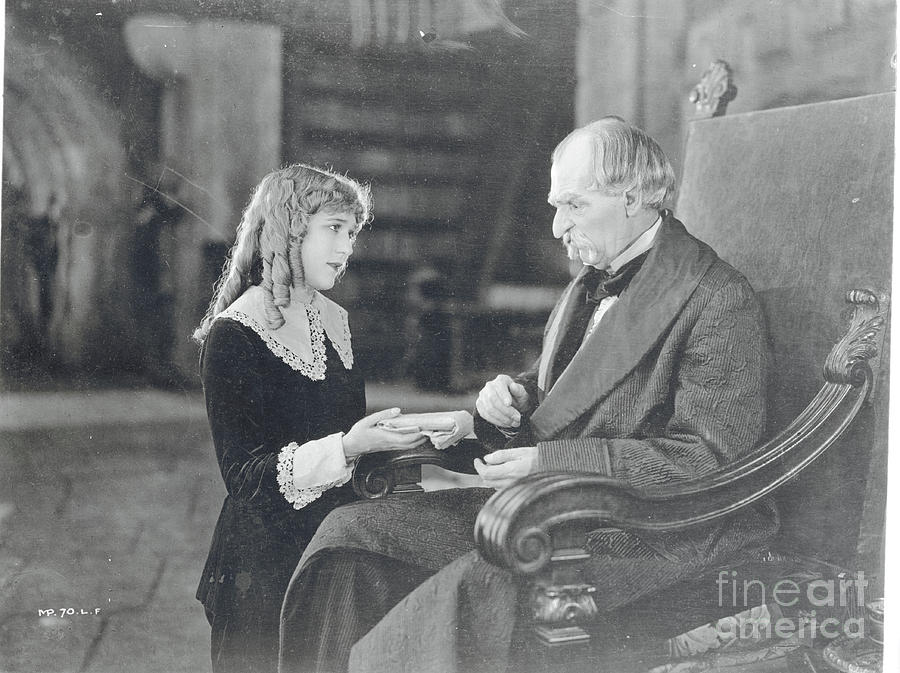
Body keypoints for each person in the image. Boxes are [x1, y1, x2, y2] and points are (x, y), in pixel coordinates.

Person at [278, 118, 778, 673]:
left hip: (655, 532)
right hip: (565, 508)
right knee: (351, 536)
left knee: (478, 586)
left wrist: (549, 461)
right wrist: (500, 408)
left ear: (633, 198)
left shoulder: (716, 298)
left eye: (574, 205)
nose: (559, 226)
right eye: (555, 206)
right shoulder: (586, 282)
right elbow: (557, 396)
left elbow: (708, 462)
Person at [192, 164, 427, 673]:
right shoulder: (234, 334)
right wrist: (347, 447)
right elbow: (243, 476)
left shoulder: (337, 321)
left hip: (334, 553)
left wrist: (412, 434)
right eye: (334, 229)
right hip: (261, 566)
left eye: (352, 233)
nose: (346, 249)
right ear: (289, 228)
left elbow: (349, 432)